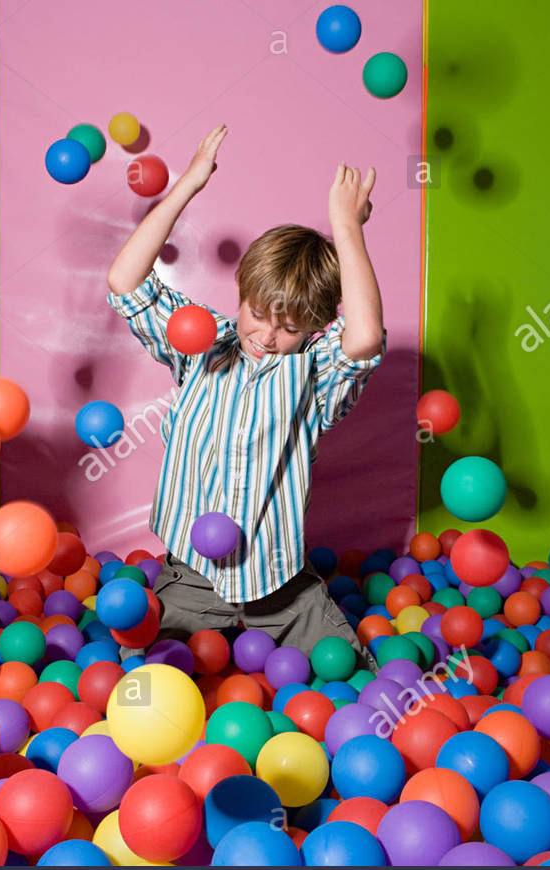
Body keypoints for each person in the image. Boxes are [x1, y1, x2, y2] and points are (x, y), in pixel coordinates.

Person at [105, 125, 385, 664]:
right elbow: (125, 281)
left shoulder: (313, 376)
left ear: (317, 328)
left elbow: (365, 338)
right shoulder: (202, 343)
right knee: (149, 682)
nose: (265, 335)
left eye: (288, 327)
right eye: (257, 314)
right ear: (242, 296)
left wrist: (346, 228)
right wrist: (187, 185)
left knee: (349, 679)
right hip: (192, 578)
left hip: (283, 590)